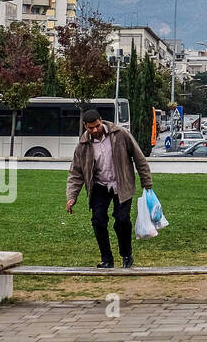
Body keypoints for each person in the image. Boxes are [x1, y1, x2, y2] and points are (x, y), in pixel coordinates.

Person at [65, 109, 153, 269]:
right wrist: (72, 196)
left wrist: (147, 183)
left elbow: (139, 158)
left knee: (122, 220)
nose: (95, 130)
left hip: (122, 184)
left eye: (97, 126)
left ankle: (127, 255)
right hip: (99, 186)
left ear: (101, 121)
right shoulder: (83, 145)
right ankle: (107, 259)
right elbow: (76, 172)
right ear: (85, 126)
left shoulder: (120, 134)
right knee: (98, 221)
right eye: (90, 128)